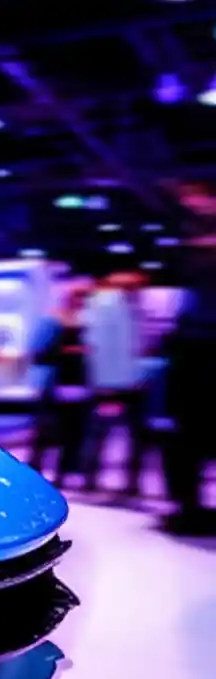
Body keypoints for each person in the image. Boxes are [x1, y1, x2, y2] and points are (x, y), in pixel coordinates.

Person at [160, 180, 216, 533]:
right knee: (188, 435)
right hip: (194, 347)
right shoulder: (194, 249)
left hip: (200, 346)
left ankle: (189, 505)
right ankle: (187, 505)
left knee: (191, 434)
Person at [83, 273, 147, 494]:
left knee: (137, 436)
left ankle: (130, 482)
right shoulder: (105, 304)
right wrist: (103, 383)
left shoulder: (132, 306)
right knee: (100, 433)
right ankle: (90, 479)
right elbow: (99, 345)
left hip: (134, 380)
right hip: (112, 382)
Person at [29, 285, 92, 487]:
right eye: (78, 296)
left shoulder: (90, 322)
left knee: (74, 433)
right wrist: (68, 351)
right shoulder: (52, 320)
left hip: (81, 385)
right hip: (56, 384)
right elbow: (38, 354)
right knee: (48, 432)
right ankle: (35, 470)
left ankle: (65, 473)